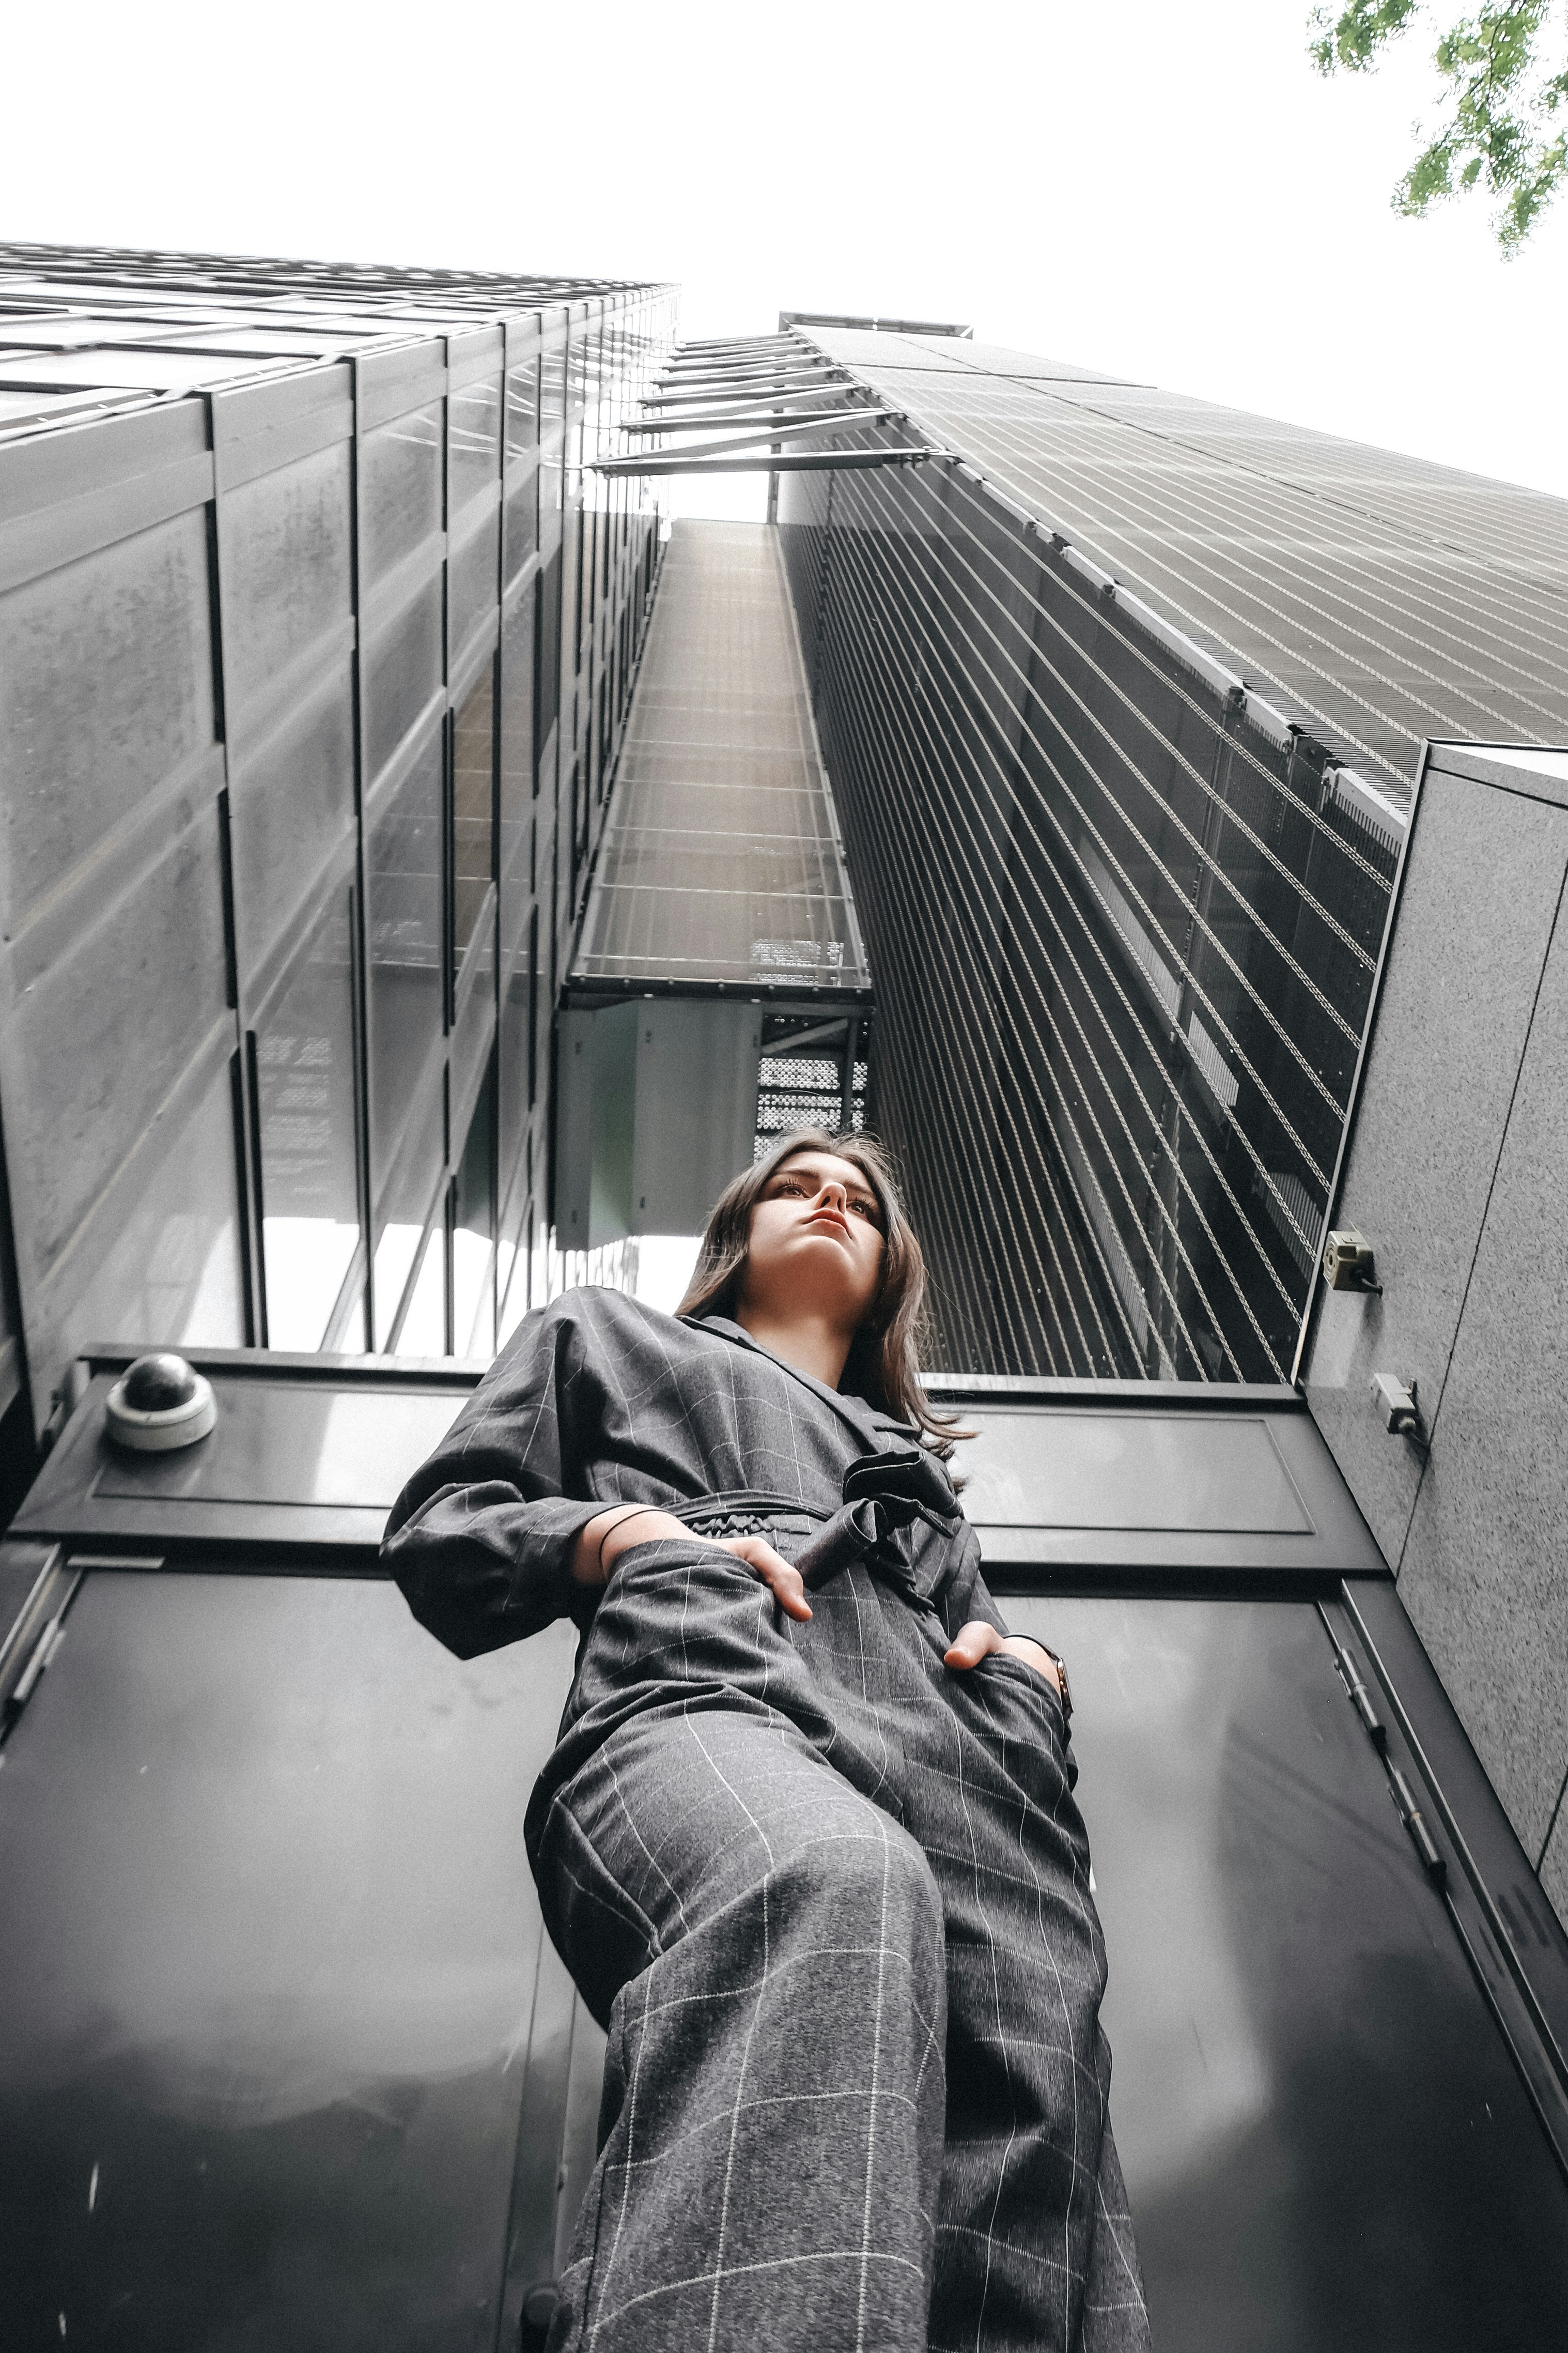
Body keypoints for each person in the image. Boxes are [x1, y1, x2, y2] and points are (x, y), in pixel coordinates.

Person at [384, 1129, 1149, 2353]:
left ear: (891, 1271)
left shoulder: (912, 1471)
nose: (833, 1200)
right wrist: (629, 1539)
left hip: (955, 1734)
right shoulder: (605, 1332)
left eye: (862, 1203)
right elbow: (446, 1530)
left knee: (1033, 2090)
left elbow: (975, 1624)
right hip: (713, 1659)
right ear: (740, 1228)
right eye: (798, 1186)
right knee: (830, 1881)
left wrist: (1027, 1674)